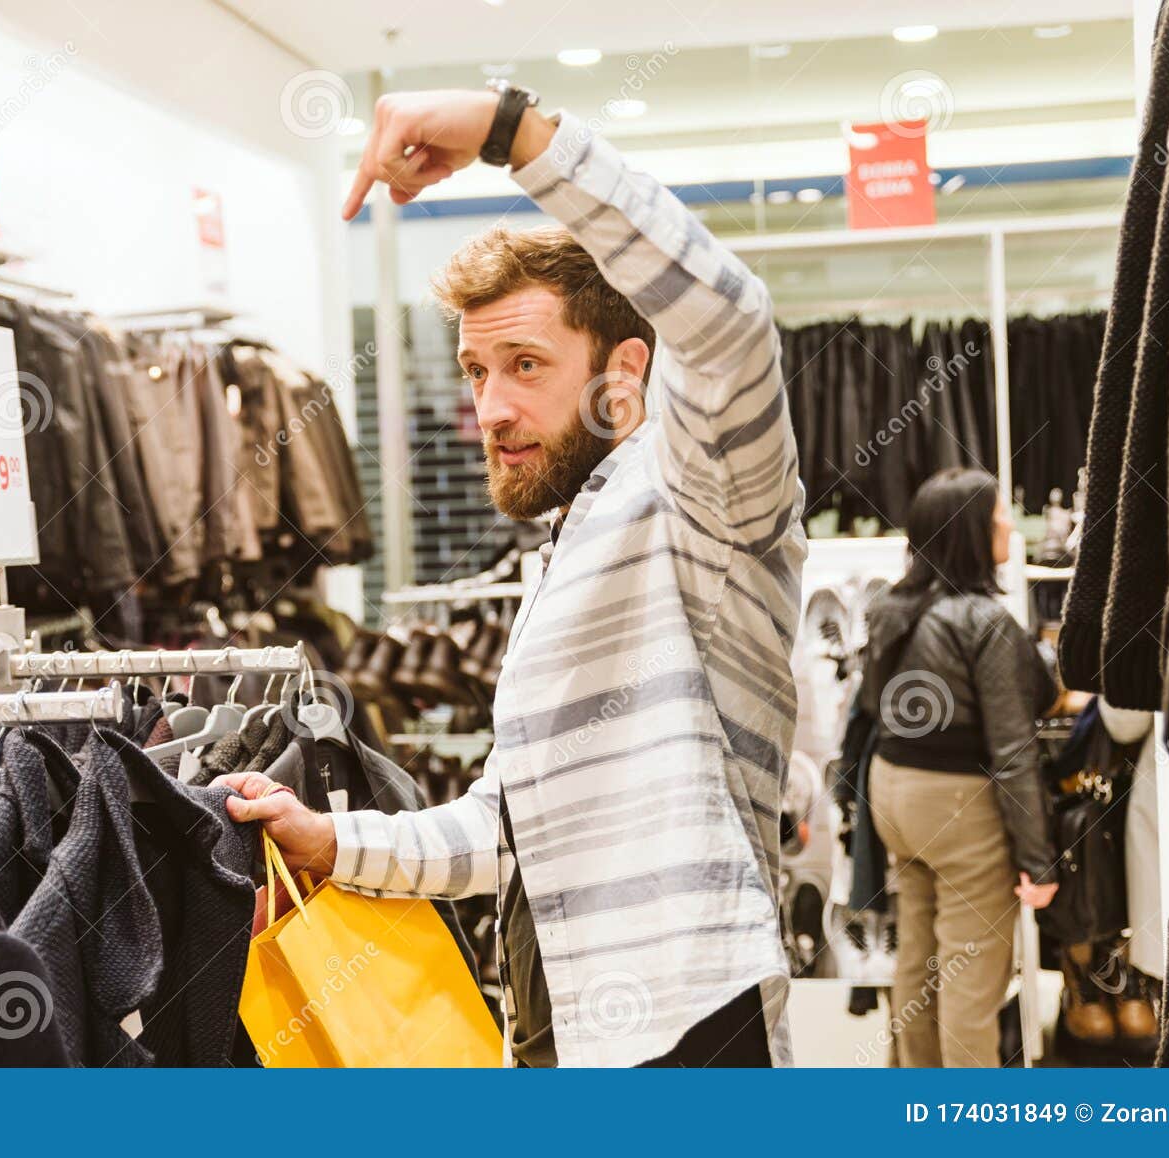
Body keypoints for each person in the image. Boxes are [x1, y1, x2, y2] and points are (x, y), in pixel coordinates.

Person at [219, 86, 805, 1067]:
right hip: (561, 1032)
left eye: (525, 365)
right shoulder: (567, 544)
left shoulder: (700, 502)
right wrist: (330, 841)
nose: (488, 409)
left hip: (683, 1034)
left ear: (624, 375)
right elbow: (507, 826)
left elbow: (731, 322)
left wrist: (514, 131)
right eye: (475, 371)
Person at [859, 467, 1058, 1067]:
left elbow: (871, 706)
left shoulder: (891, 608)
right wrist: (1038, 860)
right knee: (972, 978)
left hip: (893, 792)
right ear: (969, 532)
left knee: (917, 964)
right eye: (998, 516)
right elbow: (1013, 749)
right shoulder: (984, 622)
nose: (1009, 526)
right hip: (956, 807)